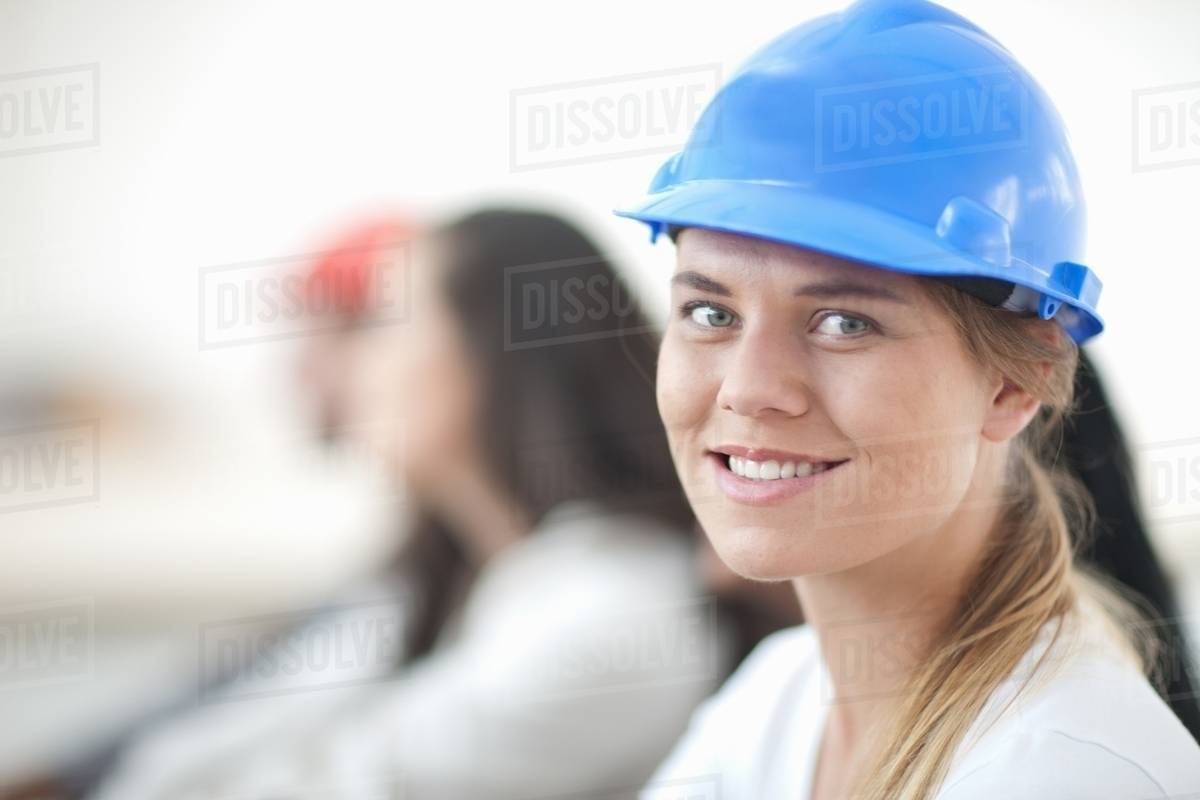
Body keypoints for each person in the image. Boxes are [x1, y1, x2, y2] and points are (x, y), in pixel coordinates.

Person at [615, 0, 1200, 797]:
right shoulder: (777, 699)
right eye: (710, 313)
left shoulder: (1066, 770)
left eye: (844, 323)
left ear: (1015, 379)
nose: (750, 389)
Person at [77, 208, 734, 800]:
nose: (350, 371)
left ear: (496, 346)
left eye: (378, 326)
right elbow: (207, 746)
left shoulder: (615, 612)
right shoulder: (438, 579)